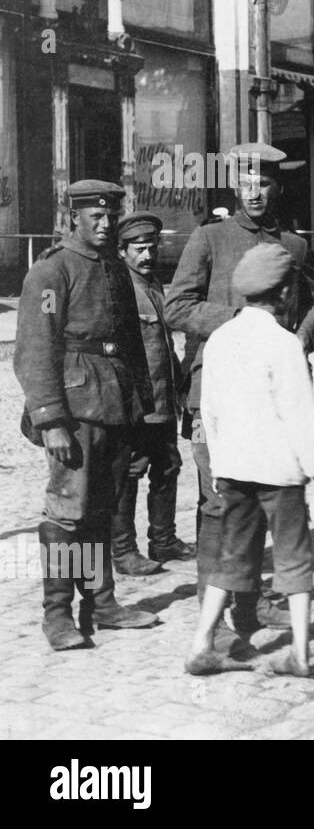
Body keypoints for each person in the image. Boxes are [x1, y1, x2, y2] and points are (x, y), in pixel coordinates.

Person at [165, 142, 314, 632]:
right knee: (219, 502)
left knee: (266, 494)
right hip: (218, 393)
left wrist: (298, 339)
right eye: (246, 182)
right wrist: (237, 319)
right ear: (235, 185)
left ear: (278, 187)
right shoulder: (210, 238)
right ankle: (210, 605)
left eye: (264, 183)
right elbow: (177, 307)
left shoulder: (294, 246)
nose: (254, 192)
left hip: (275, 396)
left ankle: (251, 606)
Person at [187, 244, 314, 676]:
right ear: (286, 292)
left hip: (234, 470)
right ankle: (300, 653)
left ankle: (201, 644)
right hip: (279, 473)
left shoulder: (220, 339)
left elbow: (210, 411)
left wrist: (220, 467)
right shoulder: (283, 343)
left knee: (232, 558)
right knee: (294, 559)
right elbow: (300, 415)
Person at [16, 180, 160, 650]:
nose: (104, 224)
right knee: (66, 513)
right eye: (95, 217)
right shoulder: (52, 271)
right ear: (73, 217)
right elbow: (35, 349)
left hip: (116, 405)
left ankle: (101, 602)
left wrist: (143, 408)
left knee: (102, 509)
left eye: (110, 216)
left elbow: (132, 345)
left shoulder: (116, 268)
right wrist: (51, 419)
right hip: (75, 410)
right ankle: (57, 615)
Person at [112, 211, 194, 577]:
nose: (147, 255)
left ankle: (163, 540)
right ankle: (124, 550)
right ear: (123, 252)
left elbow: (164, 345)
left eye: (151, 248)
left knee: (168, 467)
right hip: (137, 404)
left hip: (163, 399)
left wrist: (179, 386)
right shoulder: (120, 289)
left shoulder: (155, 286)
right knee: (131, 471)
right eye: (139, 249)